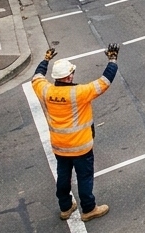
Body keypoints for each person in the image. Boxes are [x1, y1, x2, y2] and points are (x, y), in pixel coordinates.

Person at [32, 44, 121, 222]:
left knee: (63, 176)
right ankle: (88, 209)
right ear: (69, 76)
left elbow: (37, 77)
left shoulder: (45, 90)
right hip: (81, 147)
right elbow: (105, 81)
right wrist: (112, 60)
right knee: (84, 177)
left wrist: (45, 60)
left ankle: (65, 207)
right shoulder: (79, 92)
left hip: (60, 146)